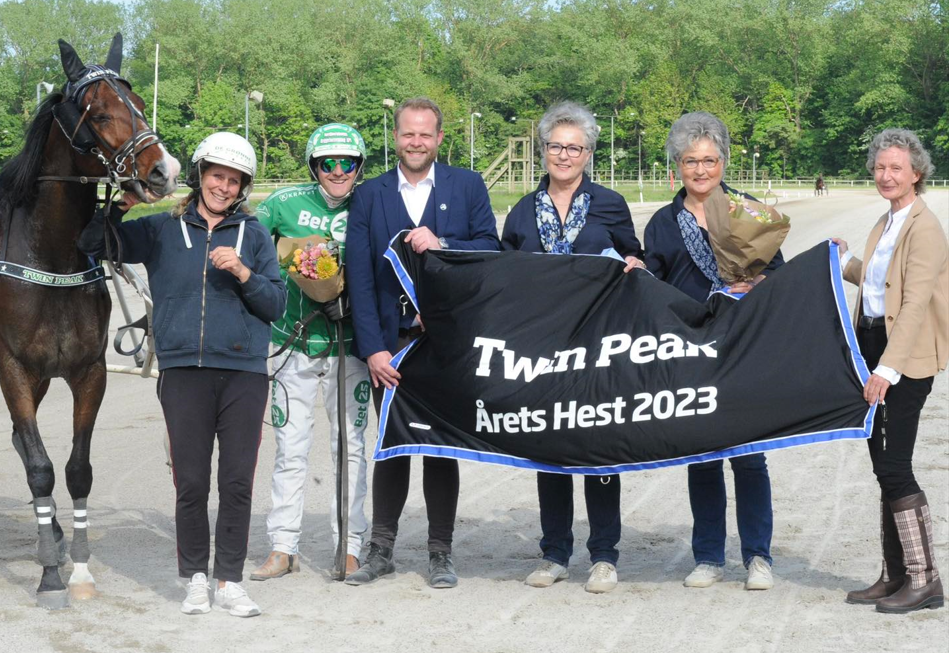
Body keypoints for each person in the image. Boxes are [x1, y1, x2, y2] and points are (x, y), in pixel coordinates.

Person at [78, 132, 286, 617]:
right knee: (191, 482)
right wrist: (124, 203)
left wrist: (244, 273)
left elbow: (275, 304)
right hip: (182, 371)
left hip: (243, 374)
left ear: (243, 187)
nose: (224, 187)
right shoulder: (161, 231)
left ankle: (229, 581)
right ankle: (195, 578)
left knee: (237, 483)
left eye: (234, 181)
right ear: (199, 176)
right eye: (216, 176)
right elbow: (91, 243)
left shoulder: (253, 236)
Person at [344, 97, 500, 588]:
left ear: (439, 138)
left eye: (425, 134)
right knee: (391, 445)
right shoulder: (369, 195)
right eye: (408, 134)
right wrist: (373, 347)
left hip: (445, 343)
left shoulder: (468, 185)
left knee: (439, 447)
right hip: (390, 345)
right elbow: (361, 278)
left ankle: (440, 552)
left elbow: (491, 250)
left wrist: (443, 244)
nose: (416, 142)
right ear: (396, 137)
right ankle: (382, 549)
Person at [500, 101, 644, 594]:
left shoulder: (609, 204)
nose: (564, 155)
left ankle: (604, 554)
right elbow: (503, 276)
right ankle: (555, 552)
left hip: (597, 348)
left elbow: (635, 256)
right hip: (541, 349)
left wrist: (632, 265)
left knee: (598, 449)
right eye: (556, 146)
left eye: (574, 147)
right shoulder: (521, 211)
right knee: (551, 449)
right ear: (544, 150)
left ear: (588, 153)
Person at [644, 112, 783, 591]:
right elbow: (654, 288)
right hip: (691, 349)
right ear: (676, 166)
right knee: (701, 455)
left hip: (743, 348)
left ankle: (758, 555)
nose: (701, 170)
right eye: (690, 161)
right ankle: (708, 556)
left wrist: (757, 282)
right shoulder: (663, 223)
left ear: (723, 162)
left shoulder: (751, 211)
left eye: (709, 160)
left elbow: (779, 274)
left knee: (749, 455)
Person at [833, 128, 947, 614]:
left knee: (895, 464)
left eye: (896, 168)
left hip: (905, 356)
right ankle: (894, 573)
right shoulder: (886, 222)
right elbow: (880, 282)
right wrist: (845, 261)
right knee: (883, 465)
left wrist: (888, 367)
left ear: (916, 173)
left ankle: (924, 579)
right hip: (873, 341)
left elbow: (916, 301)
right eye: (880, 167)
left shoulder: (925, 228)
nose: (885, 175)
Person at [251, 124, 371, 581]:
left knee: (351, 449)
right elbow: (248, 245)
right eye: (328, 163)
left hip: (352, 351)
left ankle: (350, 547)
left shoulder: (371, 201)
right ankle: (284, 547)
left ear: (359, 166)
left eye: (347, 163)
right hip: (292, 345)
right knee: (291, 449)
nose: (338, 171)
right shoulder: (283, 203)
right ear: (313, 166)